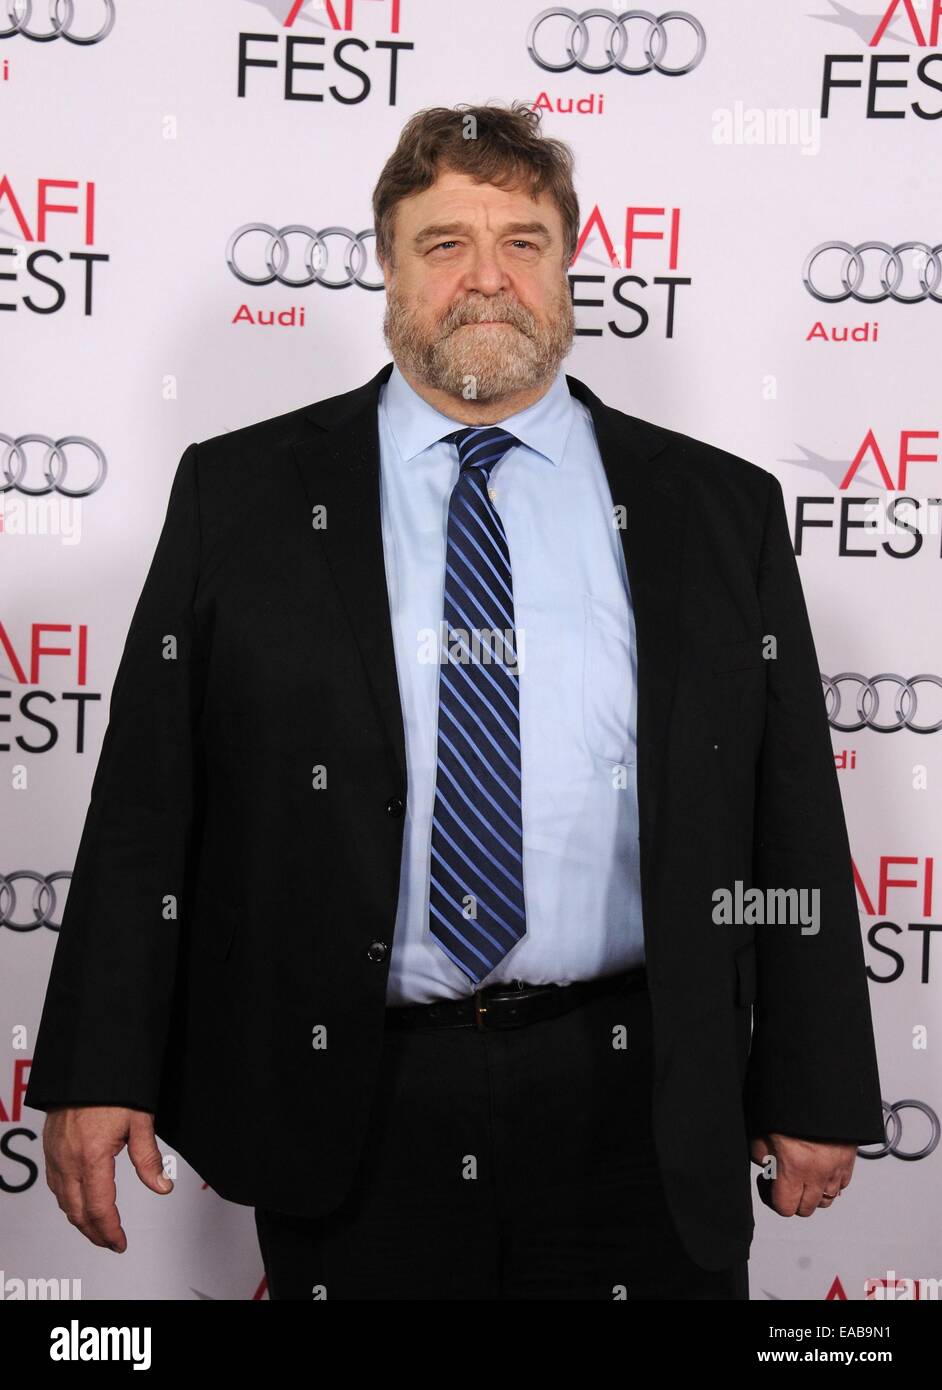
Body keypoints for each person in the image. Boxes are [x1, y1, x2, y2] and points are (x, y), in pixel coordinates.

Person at [26, 101, 884, 1301]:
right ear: (386, 267)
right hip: (358, 1102)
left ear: (569, 263)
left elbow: (788, 810)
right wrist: (98, 1061)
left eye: (522, 242)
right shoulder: (244, 493)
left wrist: (815, 1081)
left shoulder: (714, 509)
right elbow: (146, 804)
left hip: (637, 1096)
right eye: (445, 245)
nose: (488, 279)